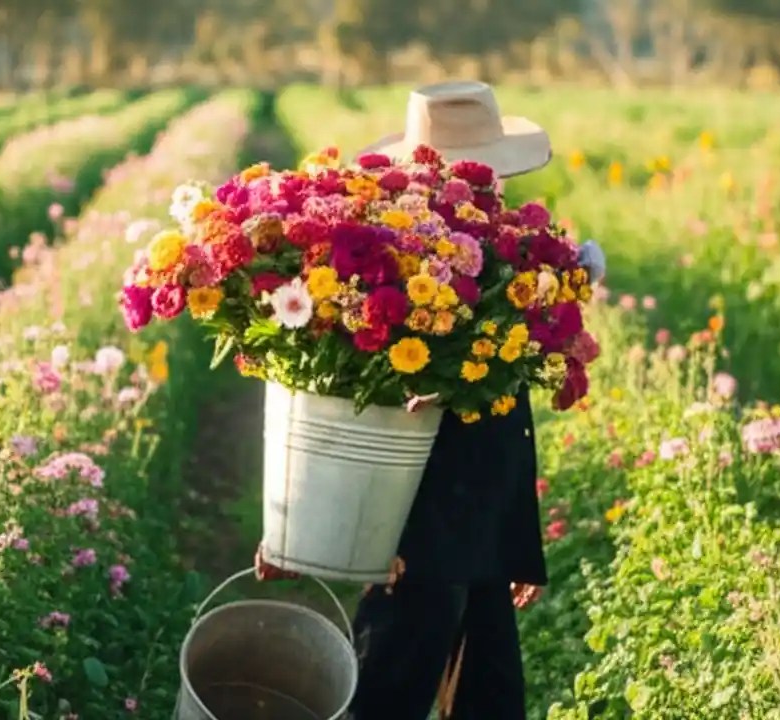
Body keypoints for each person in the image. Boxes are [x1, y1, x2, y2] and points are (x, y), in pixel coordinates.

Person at [254, 81, 607, 720]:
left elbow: (508, 425)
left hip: (479, 536)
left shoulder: (509, 262)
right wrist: (327, 530)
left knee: (489, 699)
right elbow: (330, 404)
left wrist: (515, 548)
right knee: (390, 694)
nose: (485, 190)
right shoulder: (392, 257)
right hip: (413, 536)